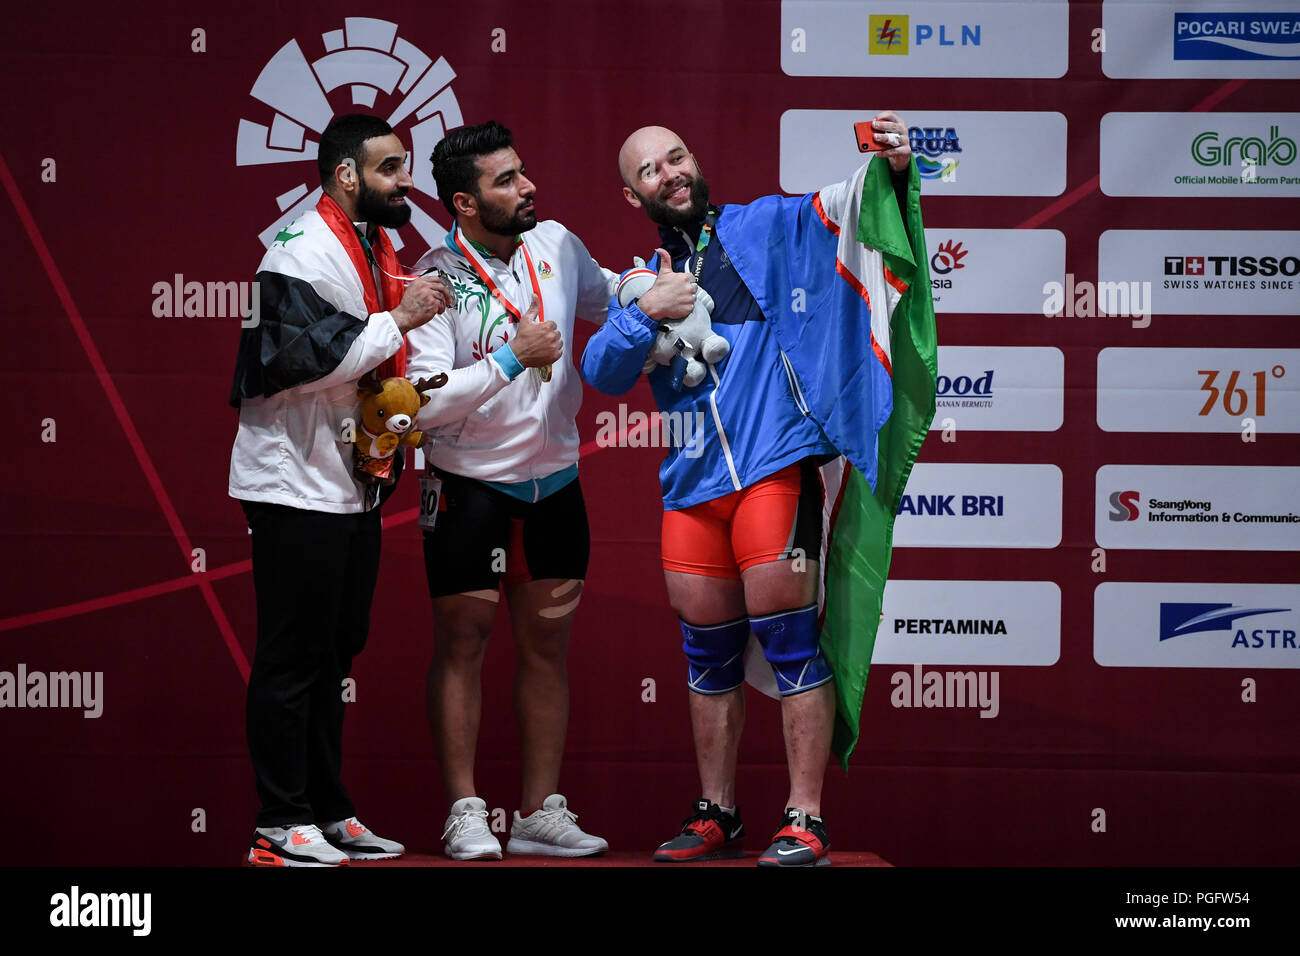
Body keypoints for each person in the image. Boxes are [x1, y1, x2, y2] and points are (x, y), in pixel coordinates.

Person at [581, 113, 920, 867]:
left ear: (694, 162)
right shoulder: (640, 279)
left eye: (677, 157)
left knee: (793, 643)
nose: (670, 174)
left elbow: (848, 209)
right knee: (707, 657)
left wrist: (894, 167)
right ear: (633, 196)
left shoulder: (766, 226)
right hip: (691, 489)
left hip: (775, 468)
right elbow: (601, 372)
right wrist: (646, 314)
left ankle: (805, 818)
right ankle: (718, 812)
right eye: (650, 171)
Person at [229, 113, 450, 867]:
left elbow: (368, 359)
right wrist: (403, 318)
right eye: (391, 169)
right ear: (347, 175)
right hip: (291, 484)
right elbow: (297, 361)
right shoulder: (295, 251)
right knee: (292, 657)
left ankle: (327, 810)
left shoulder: (374, 246)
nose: (406, 183)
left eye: (407, 166)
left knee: (333, 655)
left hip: (347, 482)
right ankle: (277, 820)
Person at [405, 120, 616, 860]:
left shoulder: (556, 242)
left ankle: (536, 812)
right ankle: (466, 810)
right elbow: (420, 400)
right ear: (465, 203)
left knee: (547, 645)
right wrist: (507, 359)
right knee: (462, 643)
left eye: (522, 172)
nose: (527, 187)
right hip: (470, 487)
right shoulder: (435, 280)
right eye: (506, 180)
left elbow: (609, 296)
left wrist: (651, 289)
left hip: (555, 484)